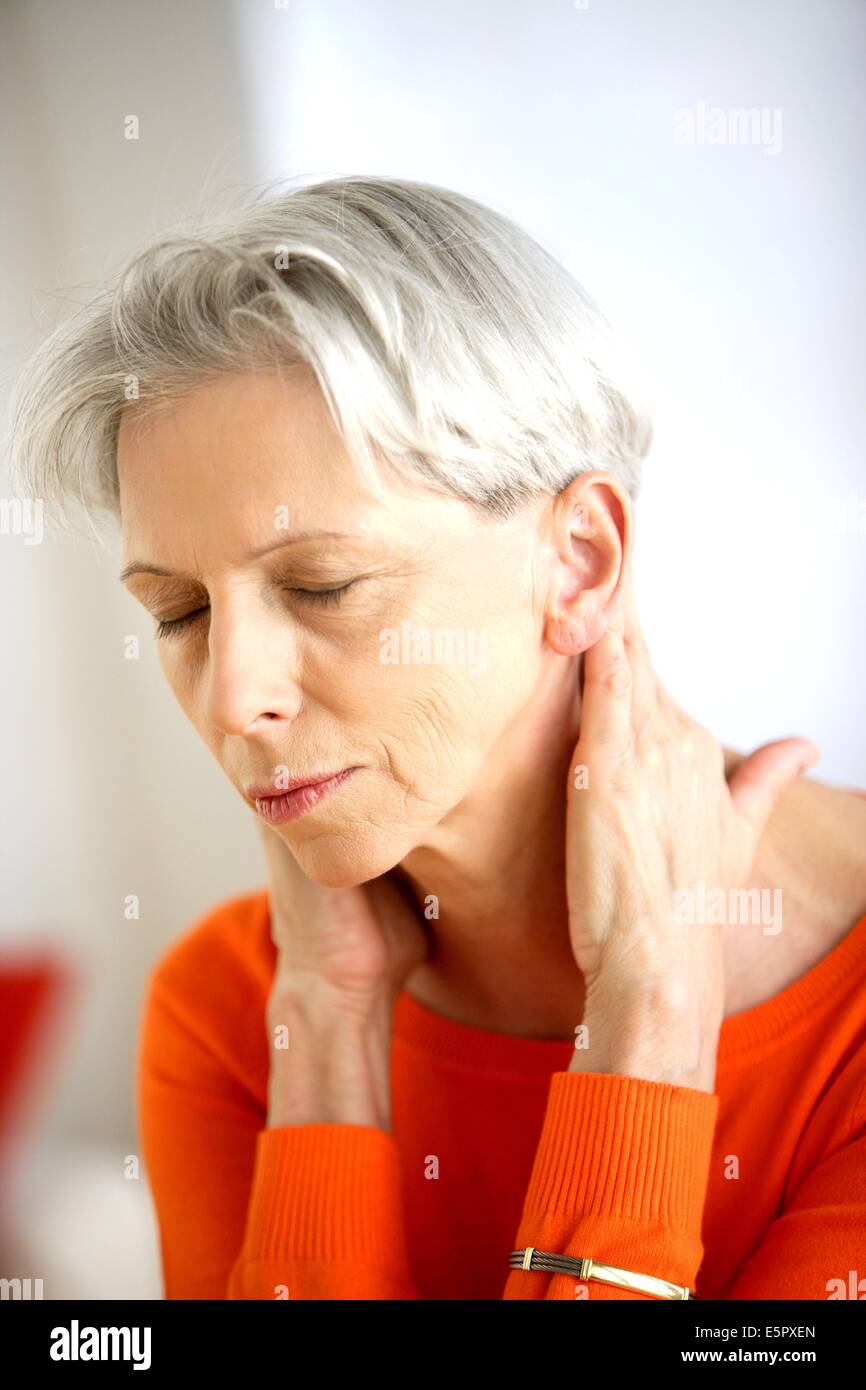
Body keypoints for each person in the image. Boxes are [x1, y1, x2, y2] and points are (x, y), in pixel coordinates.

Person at [11, 175, 866, 1300]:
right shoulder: (234, 1008)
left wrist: (651, 1011)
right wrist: (324, 1026)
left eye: (321, 584)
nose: (231, 698)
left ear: (578, 562)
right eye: (179, 611)